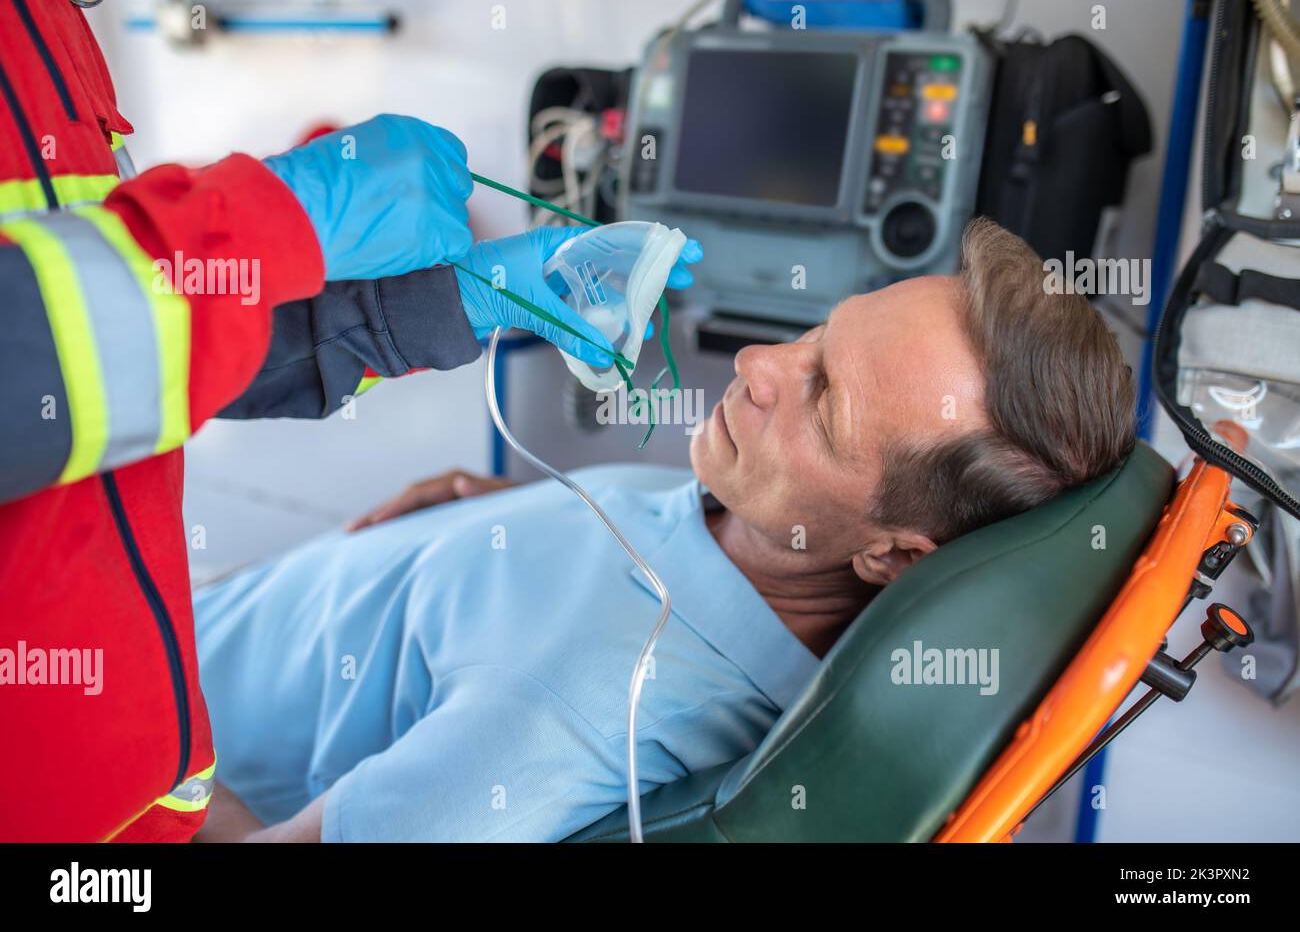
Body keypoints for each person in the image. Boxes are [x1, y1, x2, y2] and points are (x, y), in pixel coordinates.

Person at [0, 0, 699, 842]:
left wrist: (450, 302)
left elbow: (131, 351)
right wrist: (274, 220)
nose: (764, 368)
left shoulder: (45, 22)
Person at [191, 218, 1138, 842]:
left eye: (825, 403)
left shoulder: (576, 712)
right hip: (212, 615)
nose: (762, 363)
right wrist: (498, 530)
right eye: (816, 336)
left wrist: (149, 753)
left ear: (892, 553)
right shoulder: (756, 523)